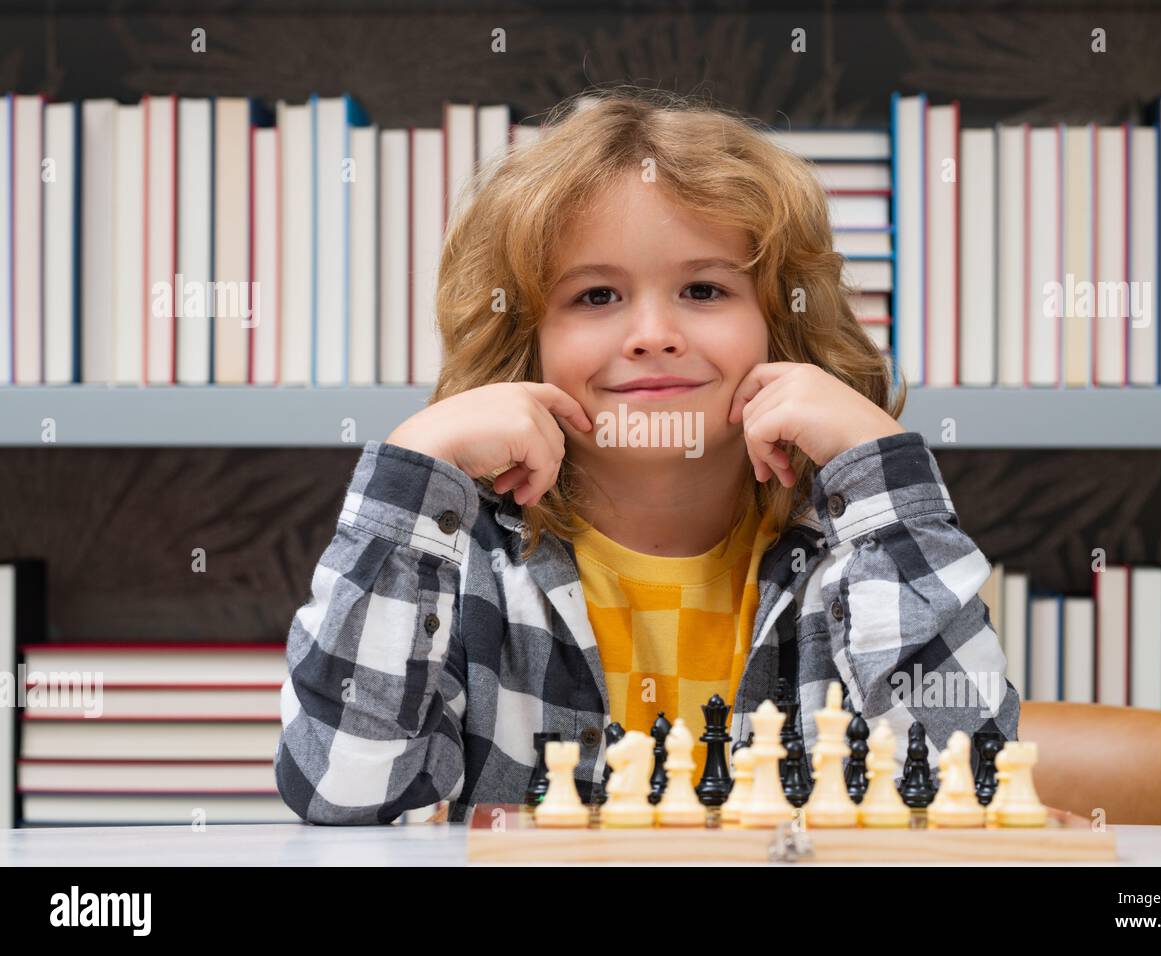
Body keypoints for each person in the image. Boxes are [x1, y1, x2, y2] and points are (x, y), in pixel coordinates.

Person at [274, 87, 1018, 825]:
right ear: (525, 346)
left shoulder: (852, 564)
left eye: (703, 288)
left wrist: (877, 466)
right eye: (596, 296)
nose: (653, 334)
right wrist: (414, 466)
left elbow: (969, 784)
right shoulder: (460, 565)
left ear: (780, 332)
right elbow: (342, 787)